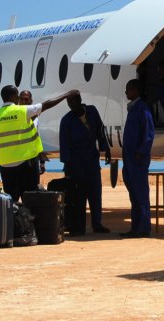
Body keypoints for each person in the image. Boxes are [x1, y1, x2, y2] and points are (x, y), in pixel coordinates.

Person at [0, 85, 67, 202]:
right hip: (26, 164)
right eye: (18, 96)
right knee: (30, 199)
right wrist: (66, 95)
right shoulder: (23, 111)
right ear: (13, 97)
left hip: (6, 165)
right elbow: (46, 105)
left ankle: (12, 214)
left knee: (10, 200)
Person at [59, 89, 112, 234]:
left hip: (92, 160)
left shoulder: (92, 111)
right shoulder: (66, 120)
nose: (71, 105)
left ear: (80, 100)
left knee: (95, 193)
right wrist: (68, 168)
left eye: (73, 102)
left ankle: (97, 224)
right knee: (79, 197)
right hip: (76, 164)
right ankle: (79, 227)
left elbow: (100, 130)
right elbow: (64, 145)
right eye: (68, 103)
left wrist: (106, 148)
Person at [121, 78, 154, 238]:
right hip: (129, 159)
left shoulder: (142, 109)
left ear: (135, 90)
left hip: (137, 160)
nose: (126, 92)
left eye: (128, 89)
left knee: (140, 195)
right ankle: (135, 227)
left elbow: (149, 134)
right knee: (134, 195)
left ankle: (143, 227)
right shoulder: (133, 108)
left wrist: (140, 153)